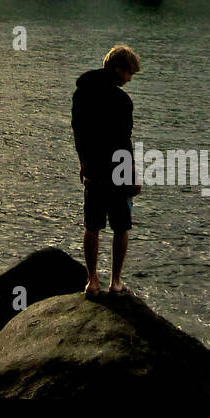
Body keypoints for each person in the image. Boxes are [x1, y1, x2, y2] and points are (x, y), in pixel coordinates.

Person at [72, 44, 142, 296]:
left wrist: (82, 163)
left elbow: (78, 132)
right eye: (128, 73)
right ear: (117, 68)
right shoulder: (121, 101)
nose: (129, 79)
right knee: (121, 226)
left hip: (92, 167)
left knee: (92, 225)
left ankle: (92, 281)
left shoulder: (81, 93)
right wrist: (132, 175)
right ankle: (115, 282)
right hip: (117, 169)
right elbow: (124, 140)